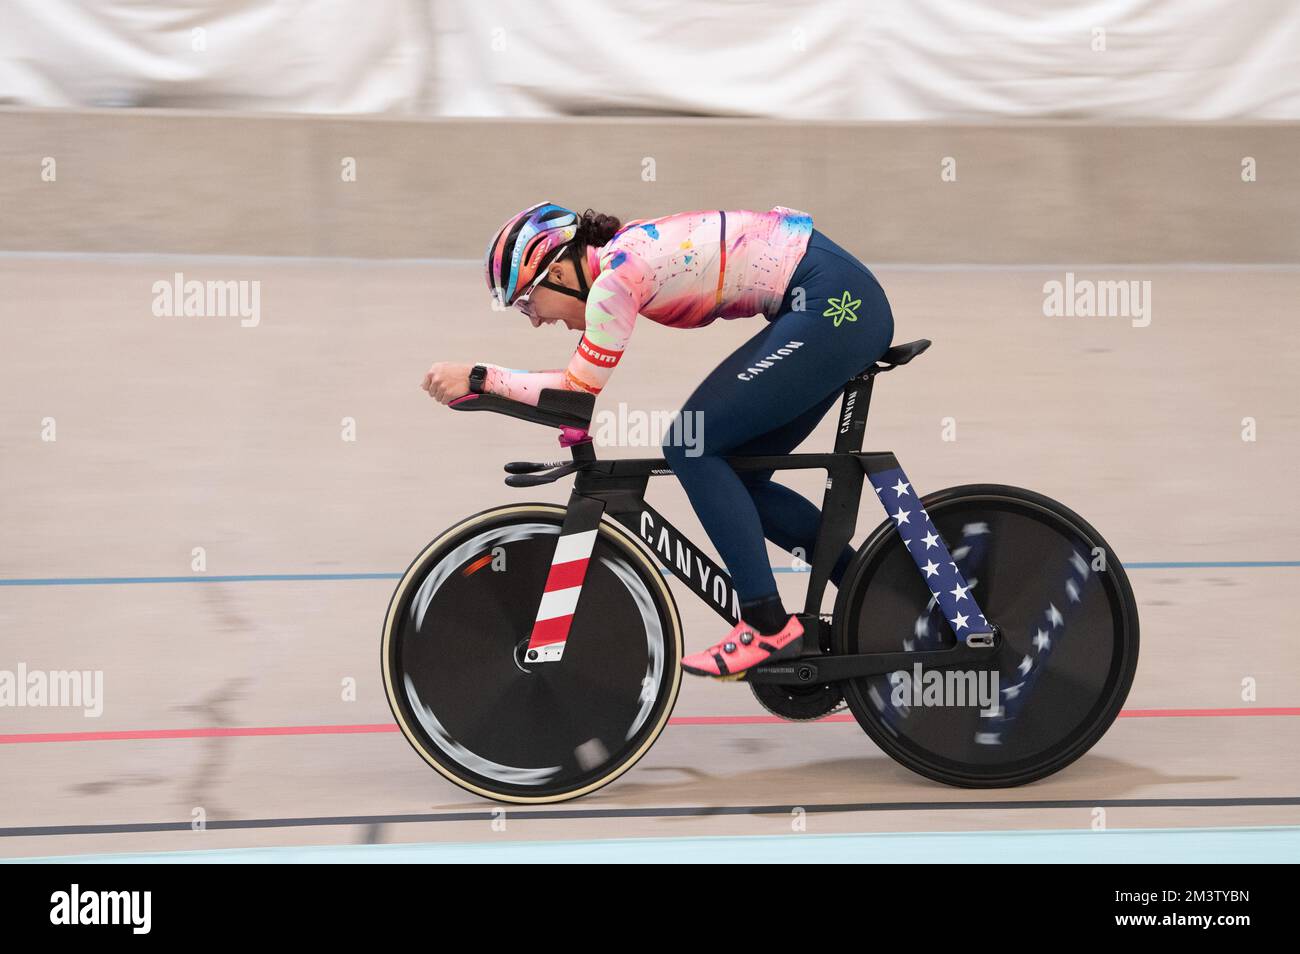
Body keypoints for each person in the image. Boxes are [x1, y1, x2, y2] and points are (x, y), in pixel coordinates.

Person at [421, 202, 894, 677]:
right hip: (830, 300)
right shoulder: (619, 263)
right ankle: (877, 598)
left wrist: (478, 377)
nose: (534, 319)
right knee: (734, 476)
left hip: (834, 304)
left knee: (690, 444)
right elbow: (576, 389)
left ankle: (766, 624)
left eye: (527, 301)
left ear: (560, 269)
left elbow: (575, 391)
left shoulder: (616, 278)